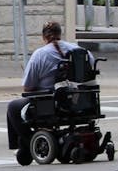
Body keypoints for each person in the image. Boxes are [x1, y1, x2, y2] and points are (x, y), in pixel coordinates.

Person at [6, 21, 79, 157]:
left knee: (13, 107)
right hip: (78, 101)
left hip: (51, 103)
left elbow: (28, 87)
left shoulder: (40, 54)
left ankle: (27, 144)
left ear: (43, 37)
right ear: (59, 34)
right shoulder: (77, 50)